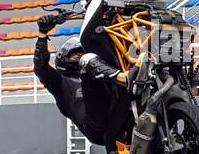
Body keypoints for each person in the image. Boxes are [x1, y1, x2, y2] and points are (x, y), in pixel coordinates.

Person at [33, 13, 130, 145]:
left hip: (120, 114)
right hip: (97, 129)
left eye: (82, 53)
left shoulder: (99, 72)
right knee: (89, 62)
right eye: (75, 54)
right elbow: (40, 67)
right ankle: (126, 79)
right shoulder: (60, 83)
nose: (80, 56)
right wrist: (42, 34)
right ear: (63, 59)